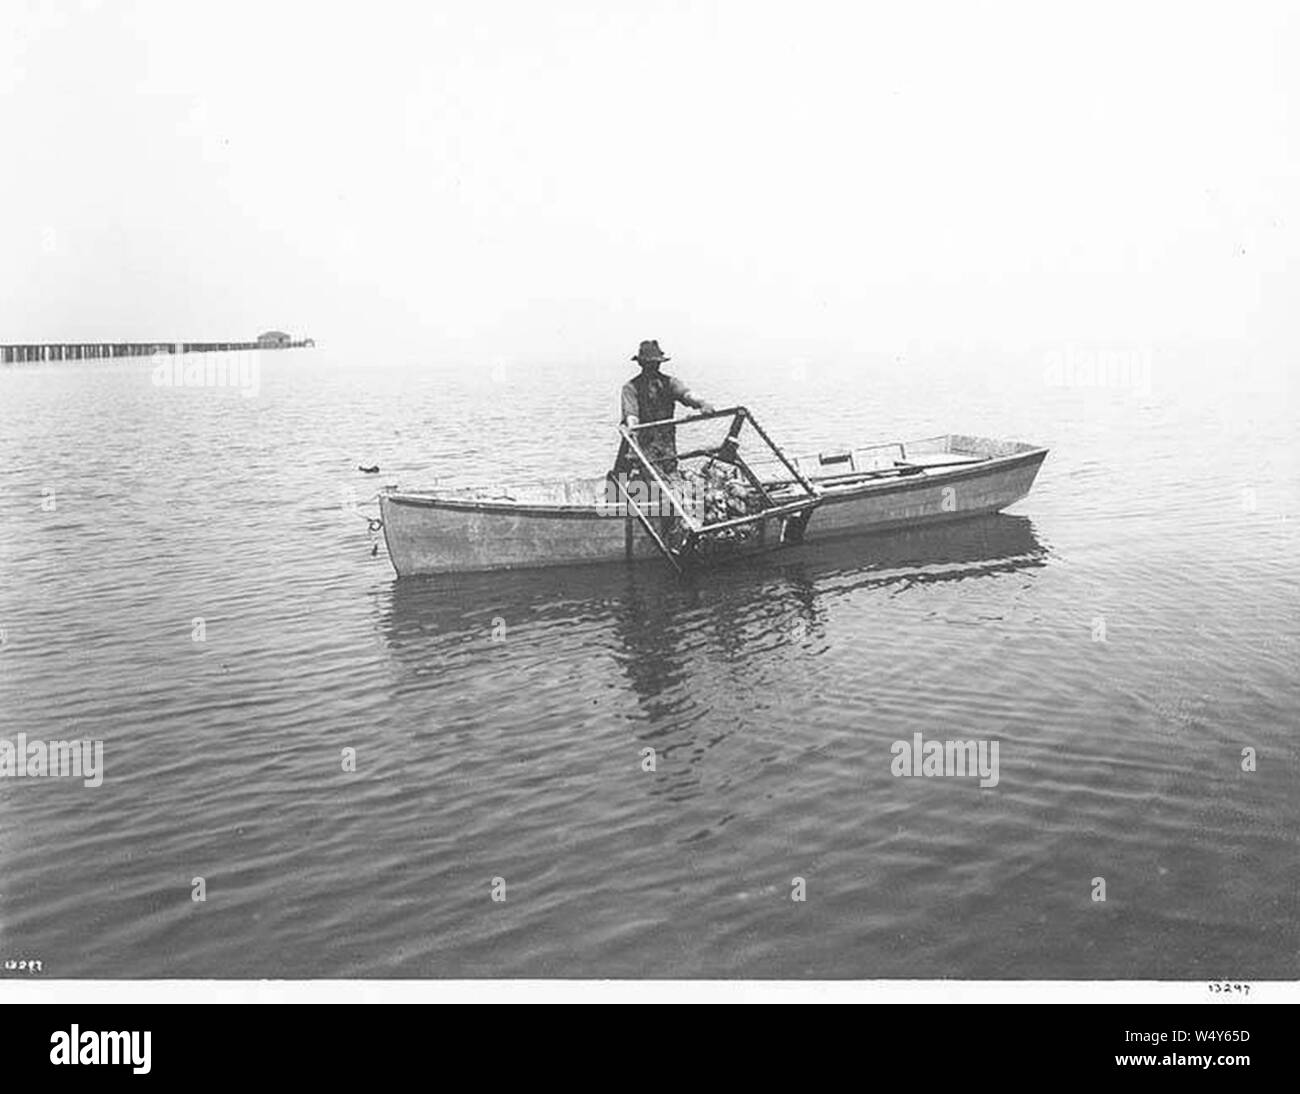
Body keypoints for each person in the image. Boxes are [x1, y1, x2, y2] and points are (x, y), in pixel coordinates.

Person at [614, 340, 714, 477]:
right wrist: (633, 430)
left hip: (665, 443)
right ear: (641, 364)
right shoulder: (631, 388)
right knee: (625, 481)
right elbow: (632, 415)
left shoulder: (669, 383)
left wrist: (702, 403)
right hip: (640, 443)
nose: (653, 367)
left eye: (655, 364)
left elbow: (686, 394)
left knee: (668, 476)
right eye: (649, 364)